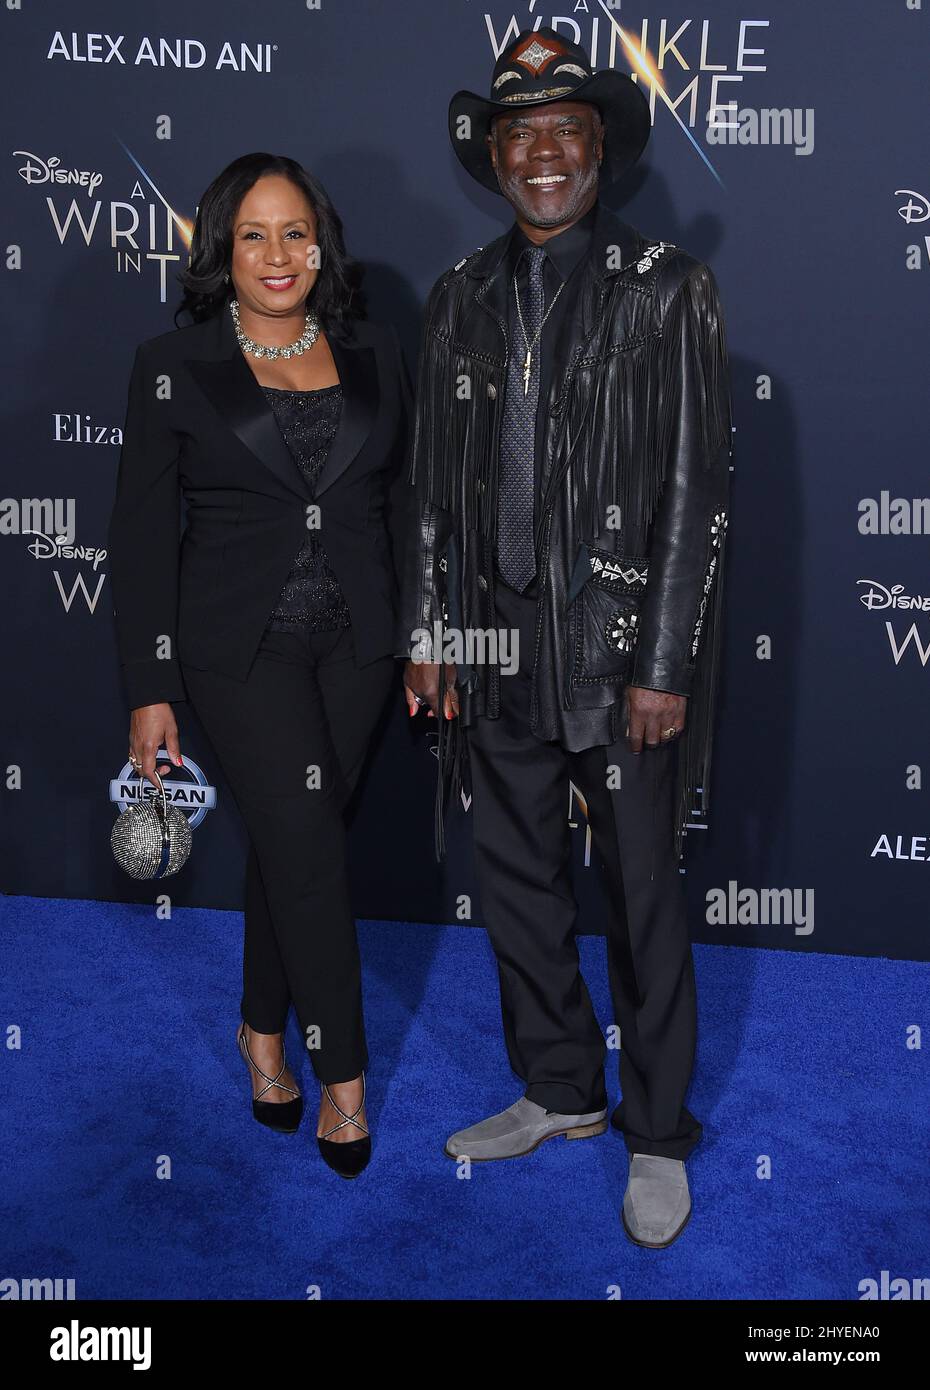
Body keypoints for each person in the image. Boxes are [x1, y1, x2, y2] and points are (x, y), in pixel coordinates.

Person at [401, 28, 732, 1245]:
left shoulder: (667, 286)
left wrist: (661, 662)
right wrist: (431, 628)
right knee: (521, 888)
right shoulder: (458, 298)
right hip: (492, 646)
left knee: (642, 895)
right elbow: (435, 488)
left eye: (565, 131)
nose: (542, 154)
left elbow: (696, 493)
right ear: (494, 156)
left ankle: (657, 1130)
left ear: (601, 148)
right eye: (518, 134)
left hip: (613, 650)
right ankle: (559, 1088)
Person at [108, 153, 412, 1179]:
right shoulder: (171, 361)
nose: (276, 255)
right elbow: (143, 533)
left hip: (358, 647)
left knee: (300, 845)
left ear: (320, 244)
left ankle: (260, 1032)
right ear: (221, 252)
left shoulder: (376, 352)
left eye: (293, 233)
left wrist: (425, 635)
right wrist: (150, 686)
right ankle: (346, 1080)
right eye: (252, 235)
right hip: (238, 651)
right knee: (309, 848)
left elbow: (406, 511)